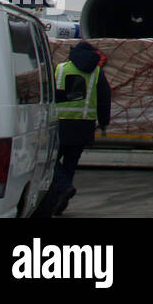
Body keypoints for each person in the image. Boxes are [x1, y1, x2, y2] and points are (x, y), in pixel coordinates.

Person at [51, 40, 111, 216]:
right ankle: (60, 202)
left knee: (50, 162)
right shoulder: (97, 72)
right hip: (84, 125)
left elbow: (50, 94)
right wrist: (104, 122)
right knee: (70, 164)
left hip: (61, 123)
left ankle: (64, 187)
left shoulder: (60, 68)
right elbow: (104, 99)